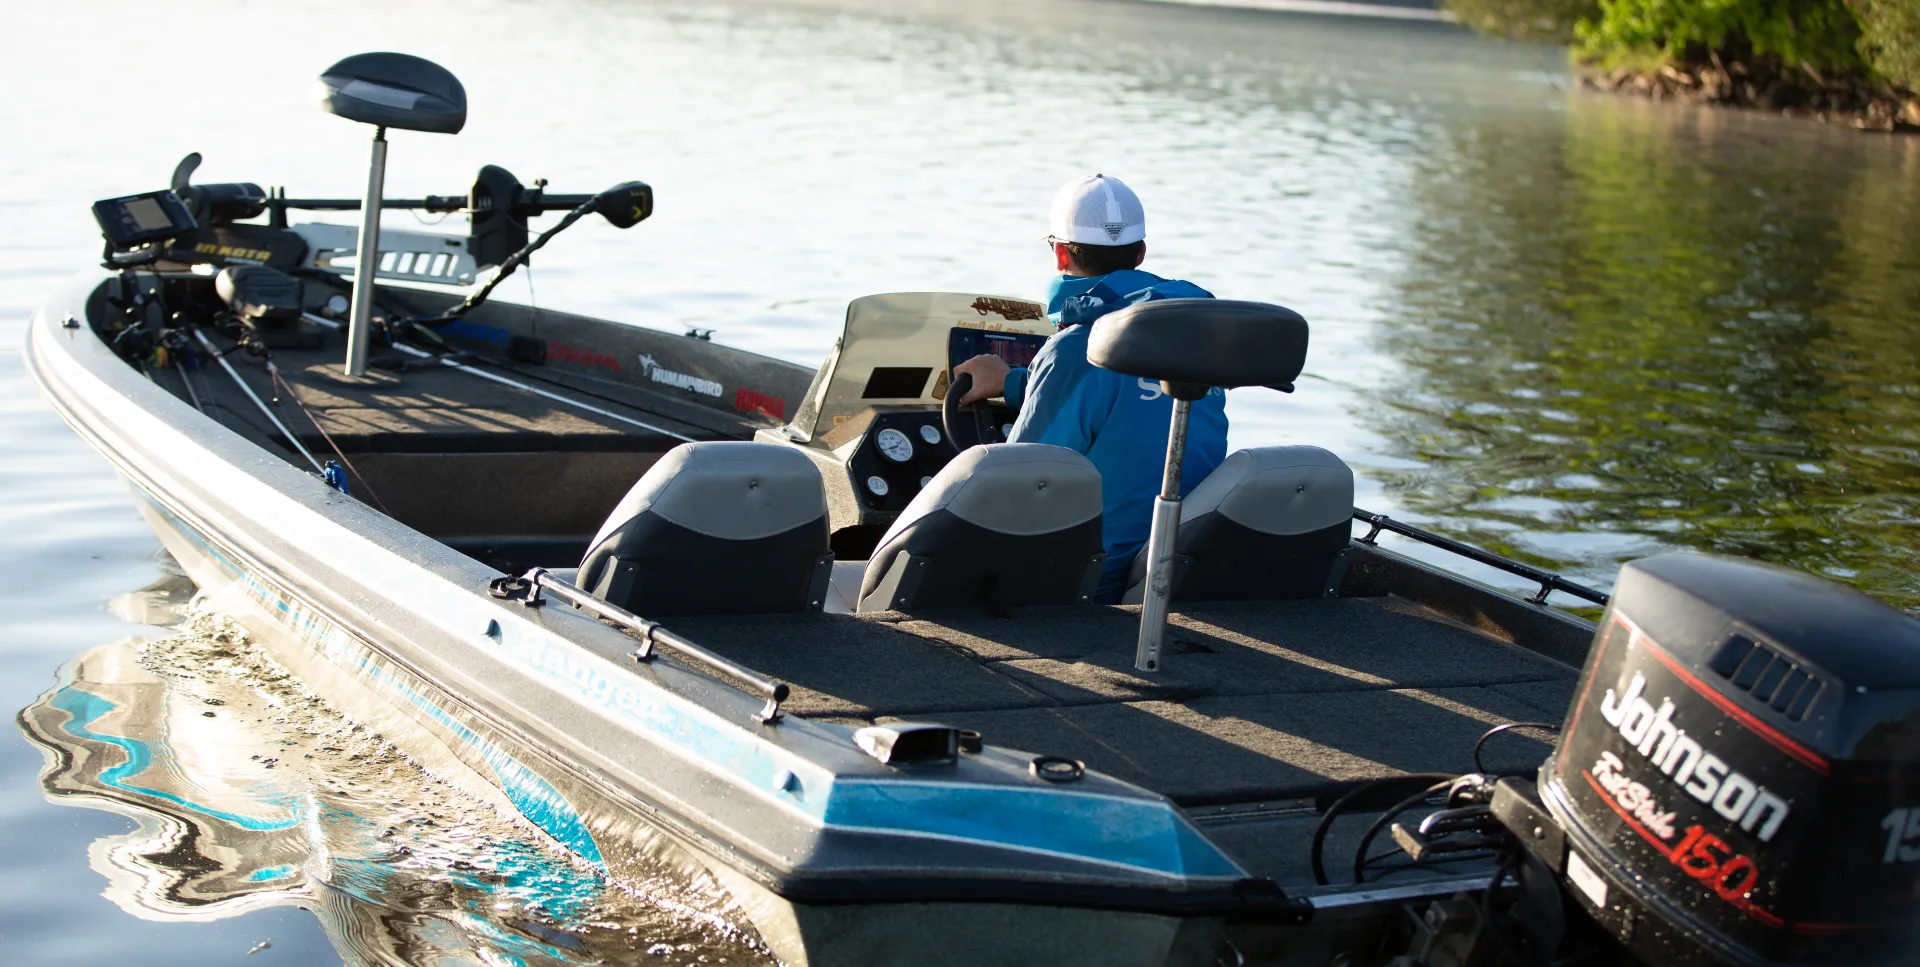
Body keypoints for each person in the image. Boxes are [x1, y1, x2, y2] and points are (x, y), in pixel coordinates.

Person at [952, 174, 1229, 602]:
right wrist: (1013, 384)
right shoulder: (1198, 337)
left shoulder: (1076, 349)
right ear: (1140, 252)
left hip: (1090, 582)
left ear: (1060, 254)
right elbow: (1125, 400)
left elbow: (1022, 478)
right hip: (1183, 565)